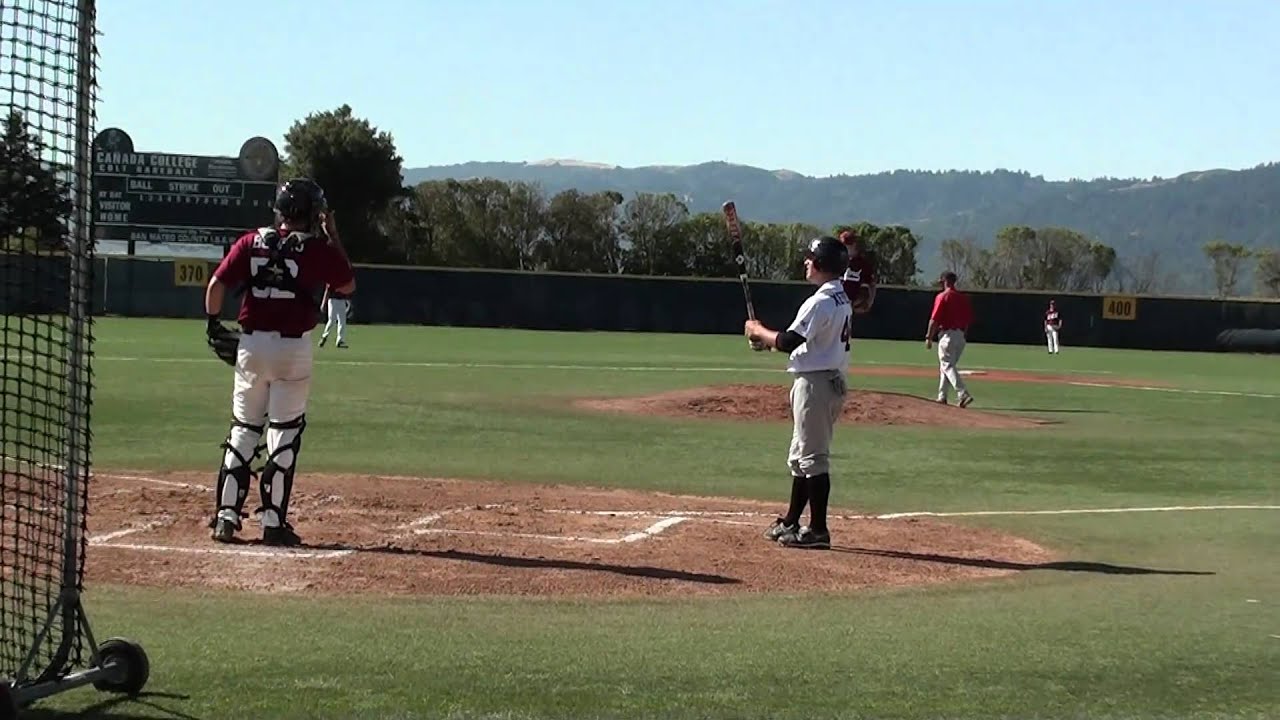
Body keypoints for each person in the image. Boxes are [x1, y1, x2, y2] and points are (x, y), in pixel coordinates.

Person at [203, 177, 356, 546]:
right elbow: (347, 285)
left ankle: (226, 517)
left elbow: (215, 288)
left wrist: (212, 325)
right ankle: (272, 522)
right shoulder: (318, 250)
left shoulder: (250, 241)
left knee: (244, 428)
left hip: (252, 347)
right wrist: (332, 235)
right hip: (292, 351)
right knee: (283, 434)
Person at [744, 235, 853, 550]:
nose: (806, 262)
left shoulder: (820, 301)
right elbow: (804, 344)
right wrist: (766, 340)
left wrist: (758, 331)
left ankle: (818, 530)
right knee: (800, 457)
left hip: (816, 384)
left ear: (819, 265)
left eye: (810, 258)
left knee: (813, 458)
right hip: (823, 379)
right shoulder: (839, 297)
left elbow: (789, 341)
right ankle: (792, 520)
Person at [926, 271, 974, 408]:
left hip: (947, 335)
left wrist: (929, 337)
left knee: (947, 365)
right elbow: (968, 321)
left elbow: (934, 319)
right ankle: (942, 396)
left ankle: (962, 393)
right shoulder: (963, 298)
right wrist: (962, 335)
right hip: (960, 337)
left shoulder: (942, 296)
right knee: (946, 367)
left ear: (945, 281)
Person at [838, 229, 877, 315]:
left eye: (848, 244)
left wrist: (869, 303)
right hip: (838, 306)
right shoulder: (837, 262)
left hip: (855, 306)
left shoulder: (862, 264)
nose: (845, 247)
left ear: (854, 245)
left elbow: (871, 284)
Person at [318, 283, 352, 348]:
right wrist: (323, 303)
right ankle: (324, 336)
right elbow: (327, 290)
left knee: (342, 321)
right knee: (332, 320)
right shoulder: (332, 278)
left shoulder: (343, 278)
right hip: (333, 300)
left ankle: (340, 341)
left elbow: (348, 288)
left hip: (342, 300)